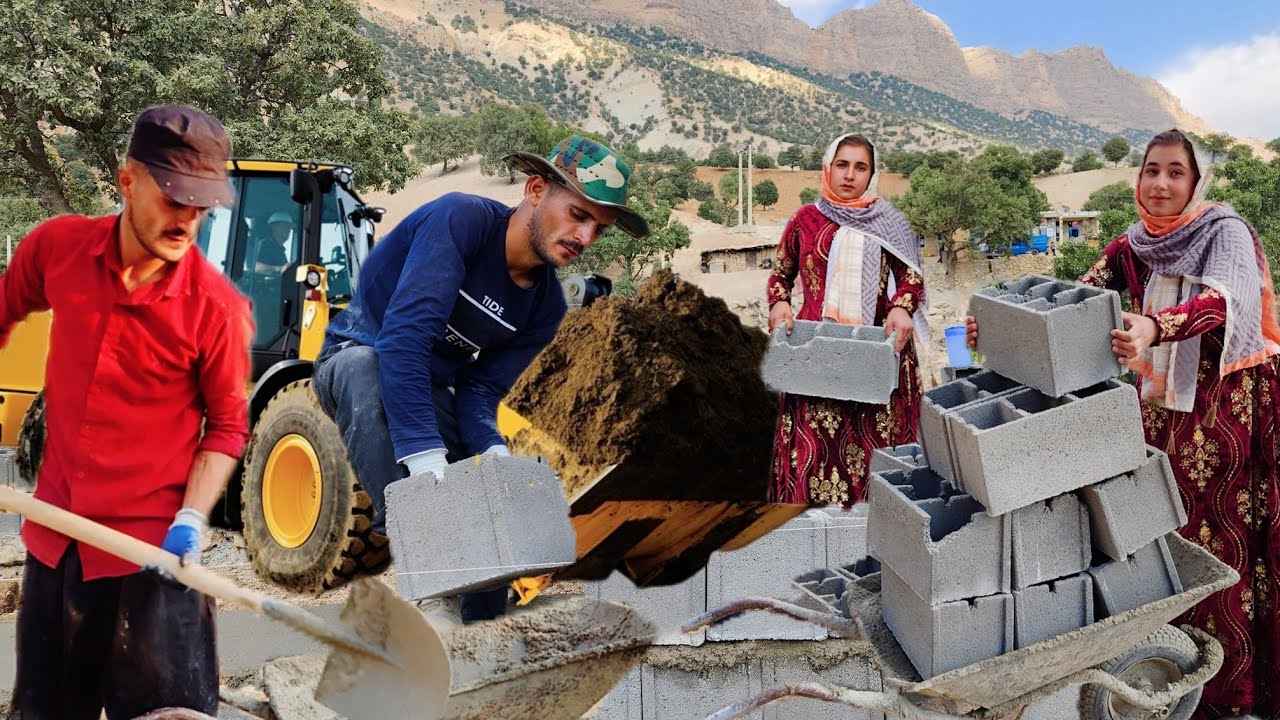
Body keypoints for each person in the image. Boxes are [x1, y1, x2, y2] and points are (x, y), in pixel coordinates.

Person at [968, 129, 1280, 719]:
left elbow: (1226, 302)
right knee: (1164, 535)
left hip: (1226, 409)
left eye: (1176, 173)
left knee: (1224, 540)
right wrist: (999, 327)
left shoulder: (1225, 233)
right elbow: (1073, 300)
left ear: (1196, 182)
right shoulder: (1131, 245)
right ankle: (1169, 668)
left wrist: (1157, 328)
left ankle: (1236, 692)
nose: (1161, 184)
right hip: (1157, 415)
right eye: (1151, 171)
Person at [312, 136, 648, 623]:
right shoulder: (461, 222)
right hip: (359, 359)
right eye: (578, 214)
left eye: (600, 227)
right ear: (536, 189)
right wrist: (428, 467)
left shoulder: (545, 307)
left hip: (431, 393)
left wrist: (492, 455)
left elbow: (483, 391)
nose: (586, 237)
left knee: (490, 518)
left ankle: (480, 634)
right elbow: (403, 343)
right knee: (368, 371)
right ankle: (423, 556)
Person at [0, 106, 254, 718]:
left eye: (202, 204)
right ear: (128, 181)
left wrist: (192, 517)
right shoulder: (57, 249)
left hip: (154, 559)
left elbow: (226, 427)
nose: (188, 219)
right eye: (174, 197)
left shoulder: (216, 309)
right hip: (56, 539)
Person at [765, 133, 928, 507]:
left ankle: (877, 547)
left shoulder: (890, 224)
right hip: (816, 357)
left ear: (871, 174)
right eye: (842, 165)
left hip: (874, 355)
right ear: (828, 167)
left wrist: (902, 305)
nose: (850, 175)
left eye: (860, 167)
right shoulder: (804, 221)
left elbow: (911, 276)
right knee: (813, 458)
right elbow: (781, 275)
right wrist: (779, 304)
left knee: (878, 463)